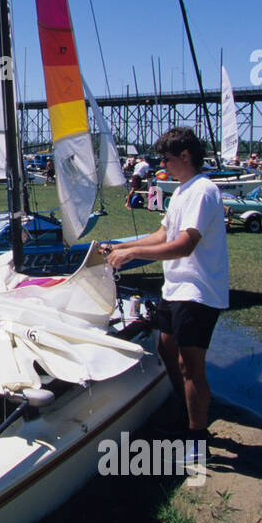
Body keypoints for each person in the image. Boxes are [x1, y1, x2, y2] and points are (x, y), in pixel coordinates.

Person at [101, 127, 229, 461]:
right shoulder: (182, 191)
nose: (162, 164)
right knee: (166, 349)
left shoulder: (203, 191)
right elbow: (162, 234)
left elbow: (185, 244)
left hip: (198, 292)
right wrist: (122, 246)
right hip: (175, 290)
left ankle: (198, 441)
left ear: (185, 156)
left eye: (166, 158)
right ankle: (187, 421)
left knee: (190, 366)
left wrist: (132, 255)